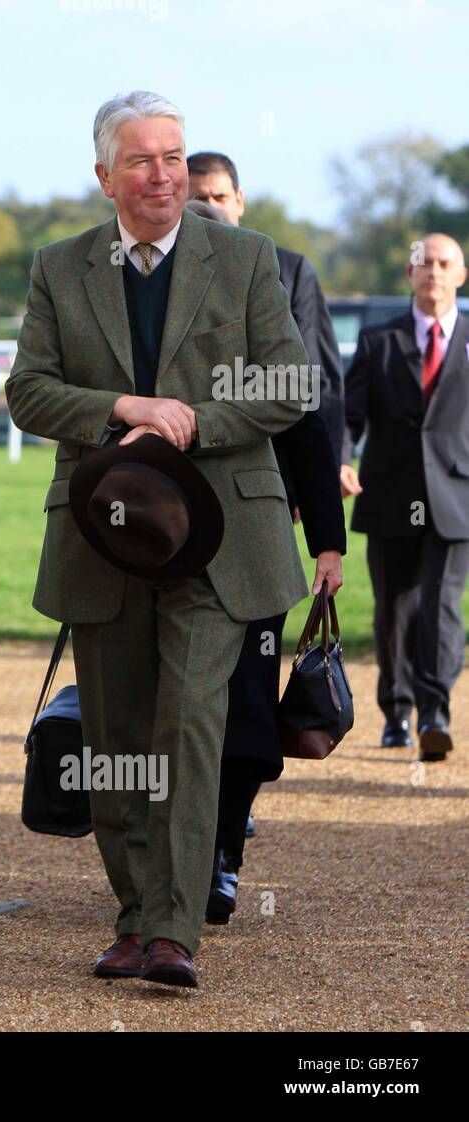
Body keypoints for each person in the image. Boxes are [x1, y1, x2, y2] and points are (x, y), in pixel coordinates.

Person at [5, 91, 310, 988]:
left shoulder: (249, 258)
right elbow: (29, 391)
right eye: (140, 160)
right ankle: (136, 915)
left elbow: (291, 383)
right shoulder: (59, 269)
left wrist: (191, 422)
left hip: (222, 533)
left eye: (174, 156)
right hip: (103, 535)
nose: (163, 175)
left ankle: (175, 929)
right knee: (117, 735)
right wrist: (122, 410)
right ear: (105, 176)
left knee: (187, 722)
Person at [180, 197, 346, 923]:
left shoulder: (266, 331)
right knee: (171, 716)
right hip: (161, 546)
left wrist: (329, 545)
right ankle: (168, 864)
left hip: (253, 546)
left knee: (246, 711)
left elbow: (309, 433)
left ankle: (222, 856)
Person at [340, 234, 469, 763]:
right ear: (410, 273)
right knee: (394, 607)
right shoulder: (378, 341)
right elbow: (349, 415)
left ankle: (435, 712)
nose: (432, 271)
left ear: (460, 275)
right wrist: (341, 459)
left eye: (443, 264)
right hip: (389, 492)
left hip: (457, 495)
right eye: (423, 262)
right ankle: (396, 711)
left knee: (441, 602)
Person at [187, 152, 346, 459]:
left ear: (239, 201)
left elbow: (313, 375)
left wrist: (325, 468)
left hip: (278, 450)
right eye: (199, 198)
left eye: (219, 197)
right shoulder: (159, 270)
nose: (210, 207)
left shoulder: (287, 268)